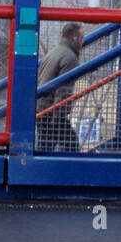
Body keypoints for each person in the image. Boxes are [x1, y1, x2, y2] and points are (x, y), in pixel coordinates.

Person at [37, 23, 83, 153]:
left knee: (45, 148)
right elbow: (63, 91)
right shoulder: (70, 58)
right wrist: (56, 119)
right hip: (51, 112)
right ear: (74, 38)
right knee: (72, 144)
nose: (82, 42)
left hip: (42, 108)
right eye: (81, 37)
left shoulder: (55, 51)